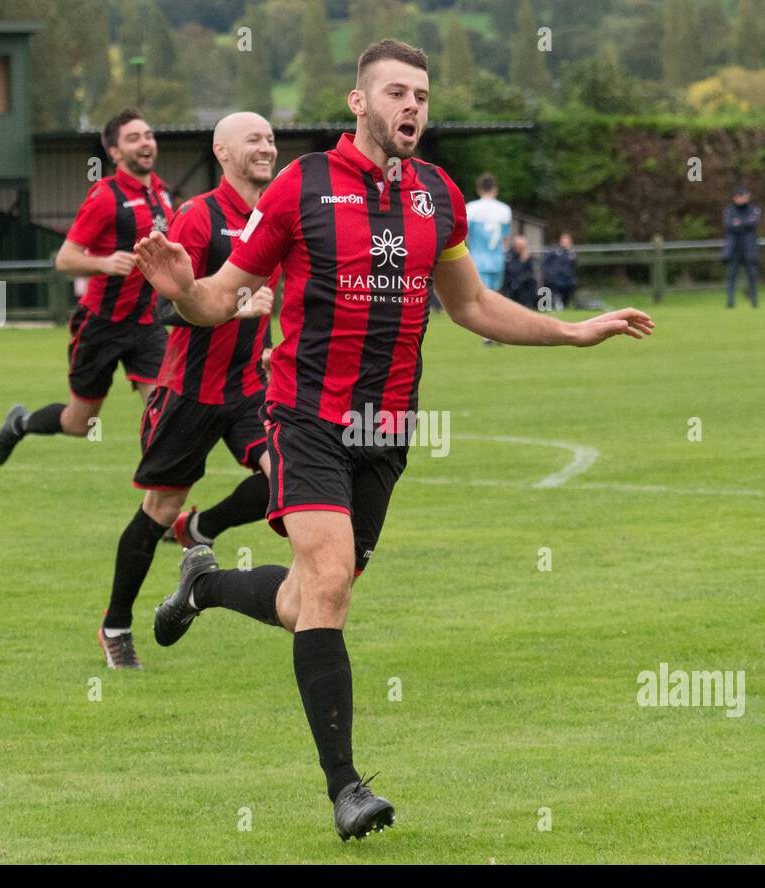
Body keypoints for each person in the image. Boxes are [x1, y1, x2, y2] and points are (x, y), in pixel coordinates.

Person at [134, 39, 653, 841]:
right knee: (331, 581)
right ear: (359, 102)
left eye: (422, 94)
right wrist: (182, 292)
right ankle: (346, 787)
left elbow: (474, 305)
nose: (413, 106)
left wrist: (573, 332)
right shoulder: (300, 188)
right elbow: (218, 297)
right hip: (303, 413)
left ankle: (202, 586)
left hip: (387, 429)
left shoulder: (437, 196)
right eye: (398, 93)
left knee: (307, 599)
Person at [96, 112, 281, 670]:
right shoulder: (199, 216)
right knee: (158, 509)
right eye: (254, 139)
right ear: (221, 152)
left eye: (271, 139)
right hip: (188, 393)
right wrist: (234, 307)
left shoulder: (279, 217)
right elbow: (161, 306)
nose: (266, 148)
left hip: (251, 389)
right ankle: (116, 626)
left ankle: (202, 530)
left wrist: (278, 345)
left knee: (287, 477)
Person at [0, 108, 174, 464]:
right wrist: (103, 262)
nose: (145, 143)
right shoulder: (105, 196)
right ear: (115, 153)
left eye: (148, 135)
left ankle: (159, 503)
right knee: (80, 423)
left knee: (163, 409)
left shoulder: (163, 195)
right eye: (133, 138)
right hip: (101, 325)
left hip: (147, 324)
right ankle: (20, 423)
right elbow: (65, 258)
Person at [465, 172, 511, 344]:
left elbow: (465, 235)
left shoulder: (471, 208)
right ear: (495, 189)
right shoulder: (504, 210)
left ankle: (488, 334)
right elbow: (506, 239)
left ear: (478, 189)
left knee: (483, 297)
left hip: (478, 258)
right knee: (496, 295)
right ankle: (497, 330)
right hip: (497, 258)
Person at [721, 188, 761, 308]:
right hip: (734, 249)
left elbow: (753, 223)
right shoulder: (730, 211)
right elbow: (728, 225)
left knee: (752, 277)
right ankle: (730, 301)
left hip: (749, 248)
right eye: (740, 196)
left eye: (744, 196)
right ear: (735, 198)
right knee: (731, 276)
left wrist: (739, 223)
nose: (742, 199)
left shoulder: (753, 209)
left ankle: (754, 301)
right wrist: (744, 223)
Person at [542, 232, 578, 309]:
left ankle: (564, 305)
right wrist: (549, 275)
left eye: (567, 240)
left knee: (570, 288)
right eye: (564, 240)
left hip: (567, 280)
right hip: (555, 279)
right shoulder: (554, 251)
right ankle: (556, 303)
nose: (565, 242)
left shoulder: (571, 253)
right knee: (556, 288)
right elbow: (545, 264)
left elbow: (574, 267)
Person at [503, 234, 538, 308]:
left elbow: (531, 271)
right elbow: (511, 270)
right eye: (519, 246)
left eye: (523, 246)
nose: (521, 248)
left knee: (532, 281)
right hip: (510, 282)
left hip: (523, 282)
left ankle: (529, 305)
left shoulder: (527, 256)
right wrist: (521, 261)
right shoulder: (508, 255)